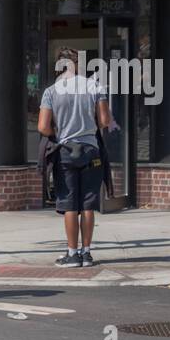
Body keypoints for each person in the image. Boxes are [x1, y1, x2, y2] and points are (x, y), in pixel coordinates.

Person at [39, 47, 113, 267]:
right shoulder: (94, 86)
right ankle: (87, 253)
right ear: (77, 65)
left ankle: (72, 254)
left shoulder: (51, 91)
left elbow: (43, 126)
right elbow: (105, 120)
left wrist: (60, 135)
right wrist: (90, 129)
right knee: (88, 204)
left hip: (65, 151)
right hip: (91, 150)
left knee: (70, 205)